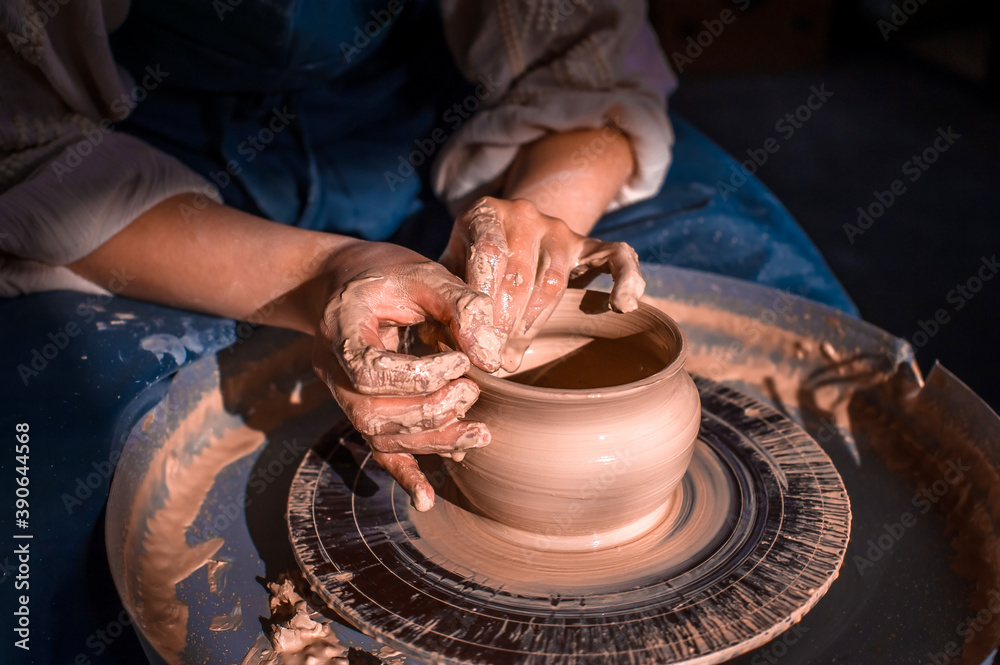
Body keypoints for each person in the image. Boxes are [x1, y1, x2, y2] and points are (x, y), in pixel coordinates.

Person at [0, 0, 855, 512]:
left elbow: (583, 61)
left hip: (458, 123)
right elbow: (25, 155)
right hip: (150, 179)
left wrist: (538, 229)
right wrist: (319, 277)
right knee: (53, 470)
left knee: (771, 298)